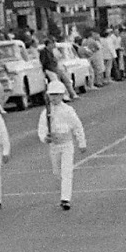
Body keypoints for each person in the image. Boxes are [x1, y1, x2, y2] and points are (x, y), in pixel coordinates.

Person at [36, 78, 86, 209]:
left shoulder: (68, 110)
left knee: (66, 171)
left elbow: (77, 126)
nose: (54, 98)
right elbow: (42, 128)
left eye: (57, 95)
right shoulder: (46, 112)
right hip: (54, 146)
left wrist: (81, 142)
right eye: (52, 95)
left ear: (62, 95)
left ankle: (65, 198)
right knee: (57, 172)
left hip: (67, 144)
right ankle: (64, 192)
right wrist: (44, 138)